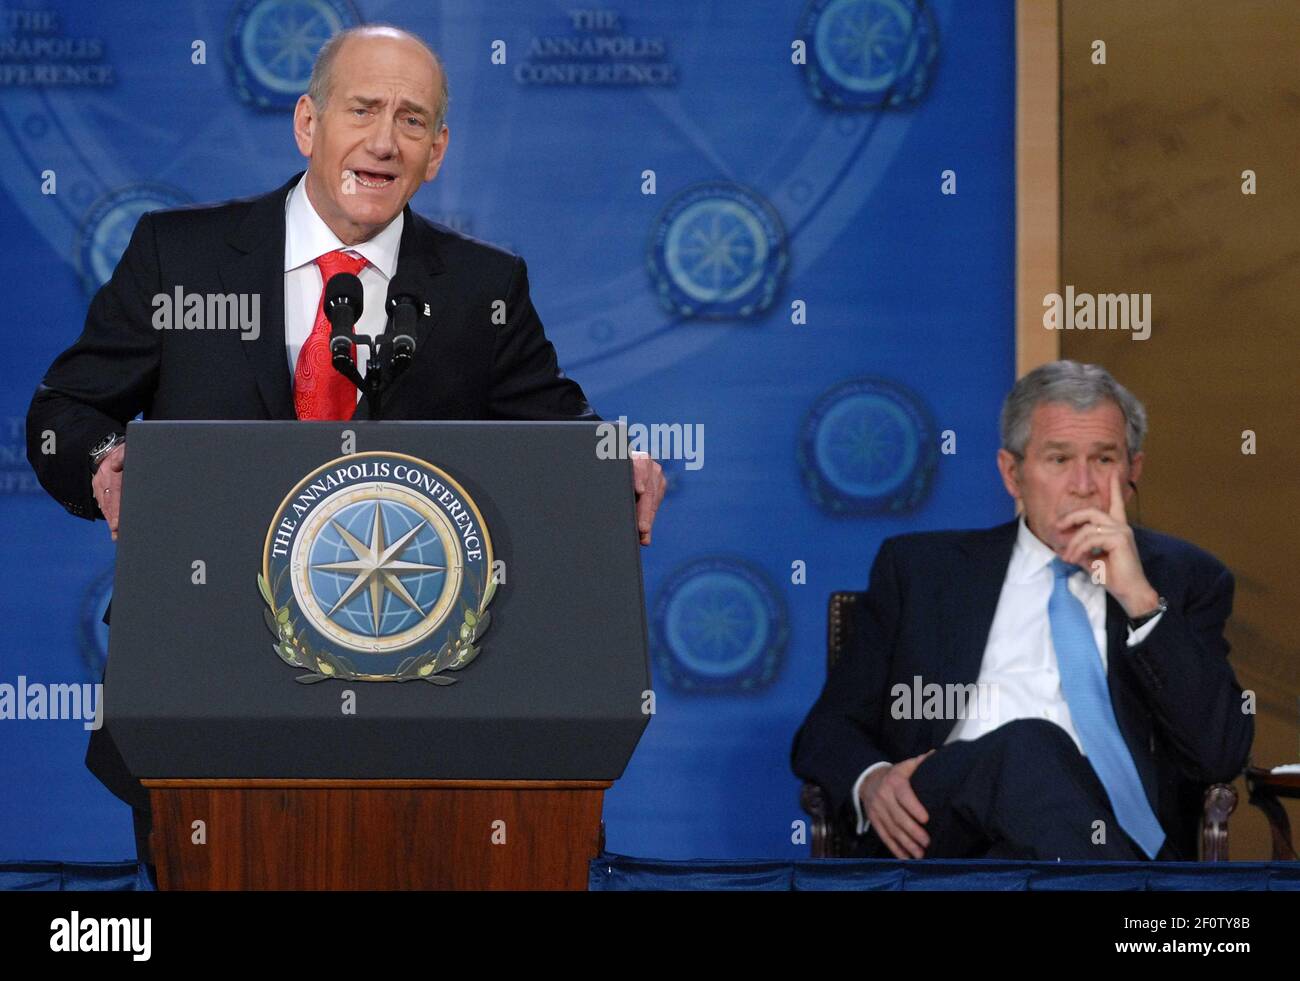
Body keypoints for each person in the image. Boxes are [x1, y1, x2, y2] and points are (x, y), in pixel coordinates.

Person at [25, 24, 666, 877]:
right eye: (363, 109)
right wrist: (103, 458)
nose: (382, 142)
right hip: (203, 684)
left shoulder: (481, 289)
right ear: (307, 124)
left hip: (430, 714)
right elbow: (63, 409)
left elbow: (554, 431)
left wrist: (609, 466)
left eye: (411, 121)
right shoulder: (178, 258)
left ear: (437, 151)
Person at [791, 360, 1252, 861]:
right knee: (1030, 747)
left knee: (1041, 782)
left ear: (1132, 471)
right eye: (1058, 460)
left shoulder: (1185, 579)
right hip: (938, 835)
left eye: (1104, 459)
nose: (1083, 484)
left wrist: (1140, 601)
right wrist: (872, 781)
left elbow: (1220, 753)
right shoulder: (921, 571)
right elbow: (828, 730)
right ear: (1012, 474)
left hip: (1093, 838)